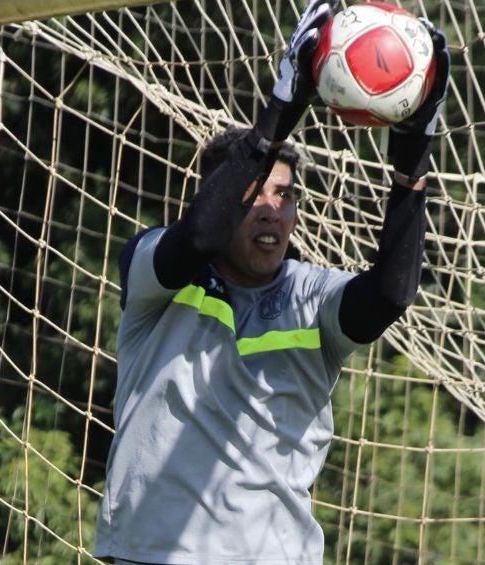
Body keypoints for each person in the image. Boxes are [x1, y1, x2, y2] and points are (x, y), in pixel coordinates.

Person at [93, 0, 450, 563]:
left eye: (284, 196)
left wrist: (414, 156)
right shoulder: (155, 272)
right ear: (216, 197)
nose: (270, 209)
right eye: (257, 191)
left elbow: (388, 295)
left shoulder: (310, 296)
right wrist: (283, 105)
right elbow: (206, 236)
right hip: (149, 554)